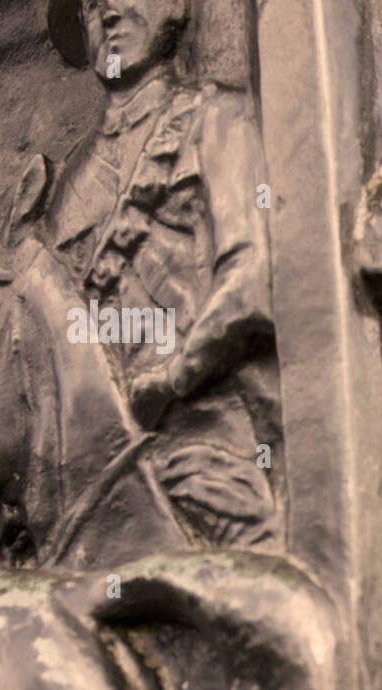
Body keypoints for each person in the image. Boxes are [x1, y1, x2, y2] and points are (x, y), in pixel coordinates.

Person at [44, 0, 281, 547]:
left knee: (247, 567)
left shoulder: (216, 118)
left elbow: (251, 281)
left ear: (174, 6)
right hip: (91, 476)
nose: (107, 13)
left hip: (202, 442)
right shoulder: (70, 184)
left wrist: (171, 378)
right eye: (89, 5)